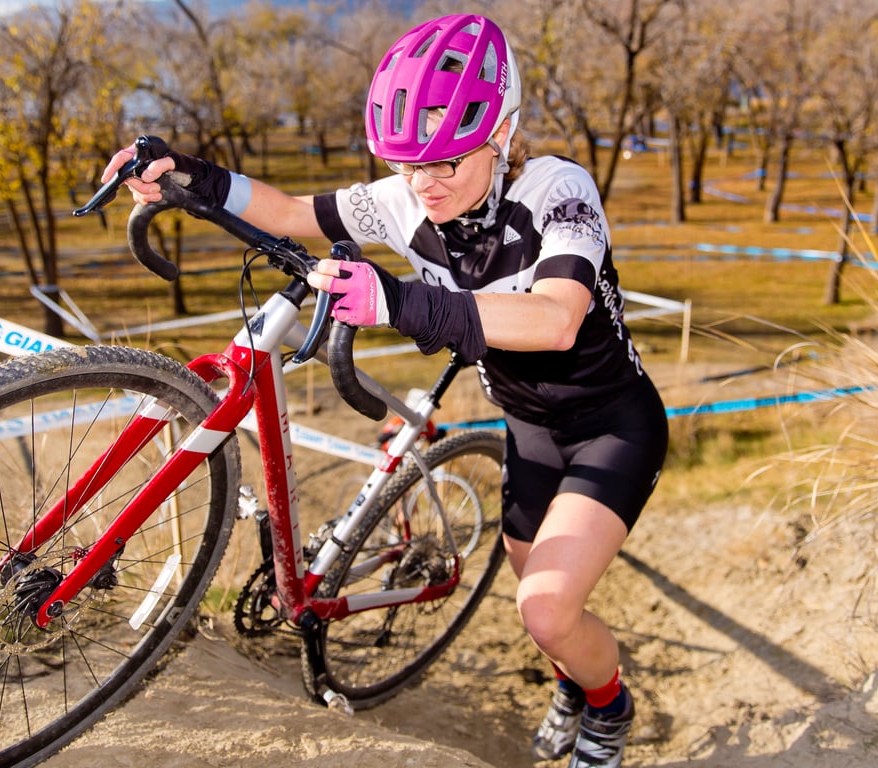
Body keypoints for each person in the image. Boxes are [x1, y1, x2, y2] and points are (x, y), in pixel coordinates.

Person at [103, 13, 668, 768]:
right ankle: (572, 682)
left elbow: (557, 320)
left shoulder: (556, 188)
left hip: (613, 426)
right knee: (549, 617)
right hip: (528, 428)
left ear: (502, 132)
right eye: (406, 164)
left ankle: (608, 710)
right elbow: (291, 211)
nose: (424, 184)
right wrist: (187, 174)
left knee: (546, 607)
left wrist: (400, 301)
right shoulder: (406, 201)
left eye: (447, 163)